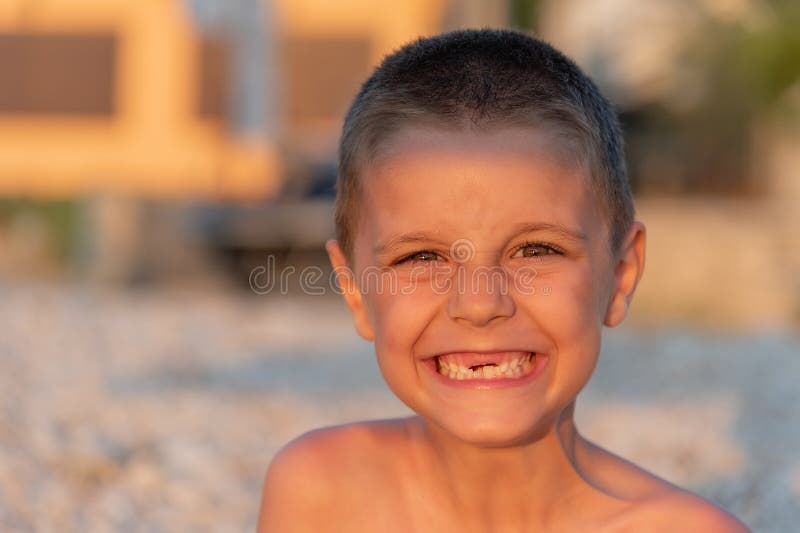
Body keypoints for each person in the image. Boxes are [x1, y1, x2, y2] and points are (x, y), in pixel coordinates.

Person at [257, 28, 749, 532]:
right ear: (356, 291)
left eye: (536, 250)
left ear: (620, 274)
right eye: (422, 256)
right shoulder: (321, 493)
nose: (479, 304)